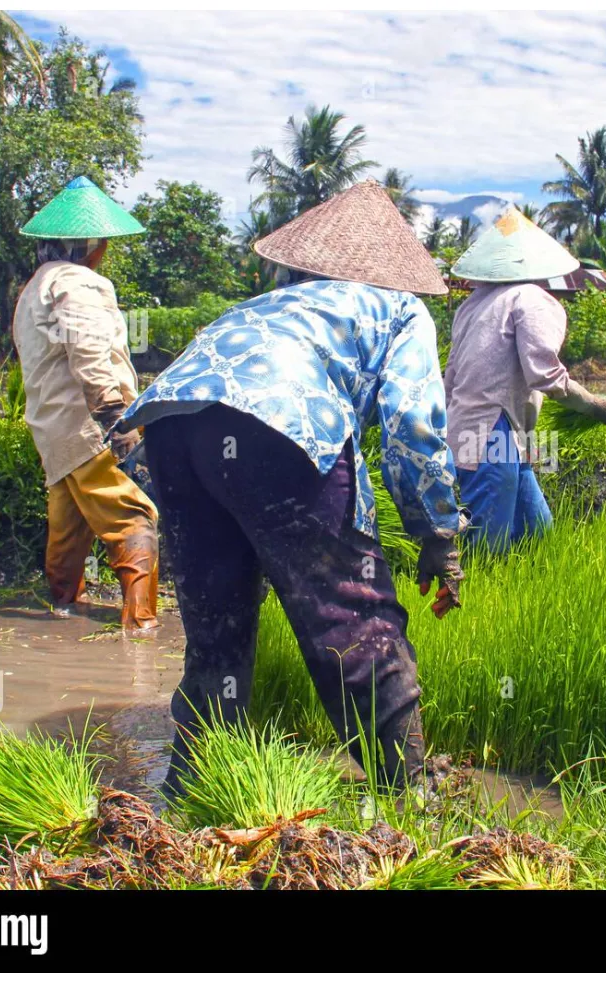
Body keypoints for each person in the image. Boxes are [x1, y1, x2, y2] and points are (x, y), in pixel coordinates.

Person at [116, 180, 467, 793]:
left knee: (215, 626)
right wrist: (438, 532)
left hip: (173, 427)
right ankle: (410, 795)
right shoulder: (400, 308)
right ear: (393, 269)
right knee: (353, 618)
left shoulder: (257, 308)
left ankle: (190, 792)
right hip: (282, 424)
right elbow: (414, 424)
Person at [444, 206, 606, 552]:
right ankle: (478, 596)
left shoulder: (473, 303)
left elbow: (452, 376)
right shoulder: (533, 300)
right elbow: (546, 376)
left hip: (475, 430)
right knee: (489, 548)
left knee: (537, 535)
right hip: (493, 435)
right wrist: (598, 407)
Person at [13, 176, 159, 632]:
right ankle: (142, 626)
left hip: (53, 432)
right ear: (90, 246)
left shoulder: (34, 287)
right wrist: (115, 417)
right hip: (86, 426)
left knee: (69, 524)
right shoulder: (79, 283)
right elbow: (90, 350)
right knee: (133, 517)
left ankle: (63, 608)